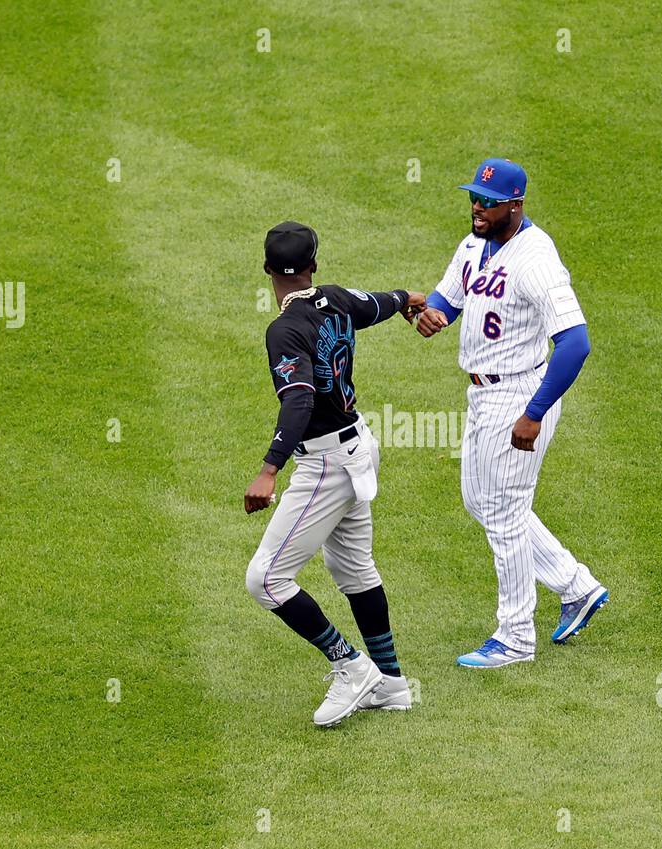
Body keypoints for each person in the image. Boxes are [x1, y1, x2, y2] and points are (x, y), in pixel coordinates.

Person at [416, 159, 608, 668]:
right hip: (481, 393)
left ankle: (516, 635)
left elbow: (575, 343)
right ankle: (577, 586)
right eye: (474, 198)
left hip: (520, 394)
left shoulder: (536, 259)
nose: (477, 208)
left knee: (503, 511)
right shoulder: (474, 243)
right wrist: (432, 313)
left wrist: (534, 413)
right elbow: (449, 298)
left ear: (515, 205)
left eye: (488, 201)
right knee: (482, 503)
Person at [244, 221, 424, 724]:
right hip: (359, 447)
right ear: (314, 266)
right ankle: (391, 684)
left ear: (265, 270)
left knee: (266, 579)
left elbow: (298, 399)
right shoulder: (336, 298)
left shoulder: (283, 330)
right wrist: (410, 297)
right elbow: (378, 304)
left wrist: (268, 470)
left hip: (325, 465)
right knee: (353, 569)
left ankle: (352, 667)